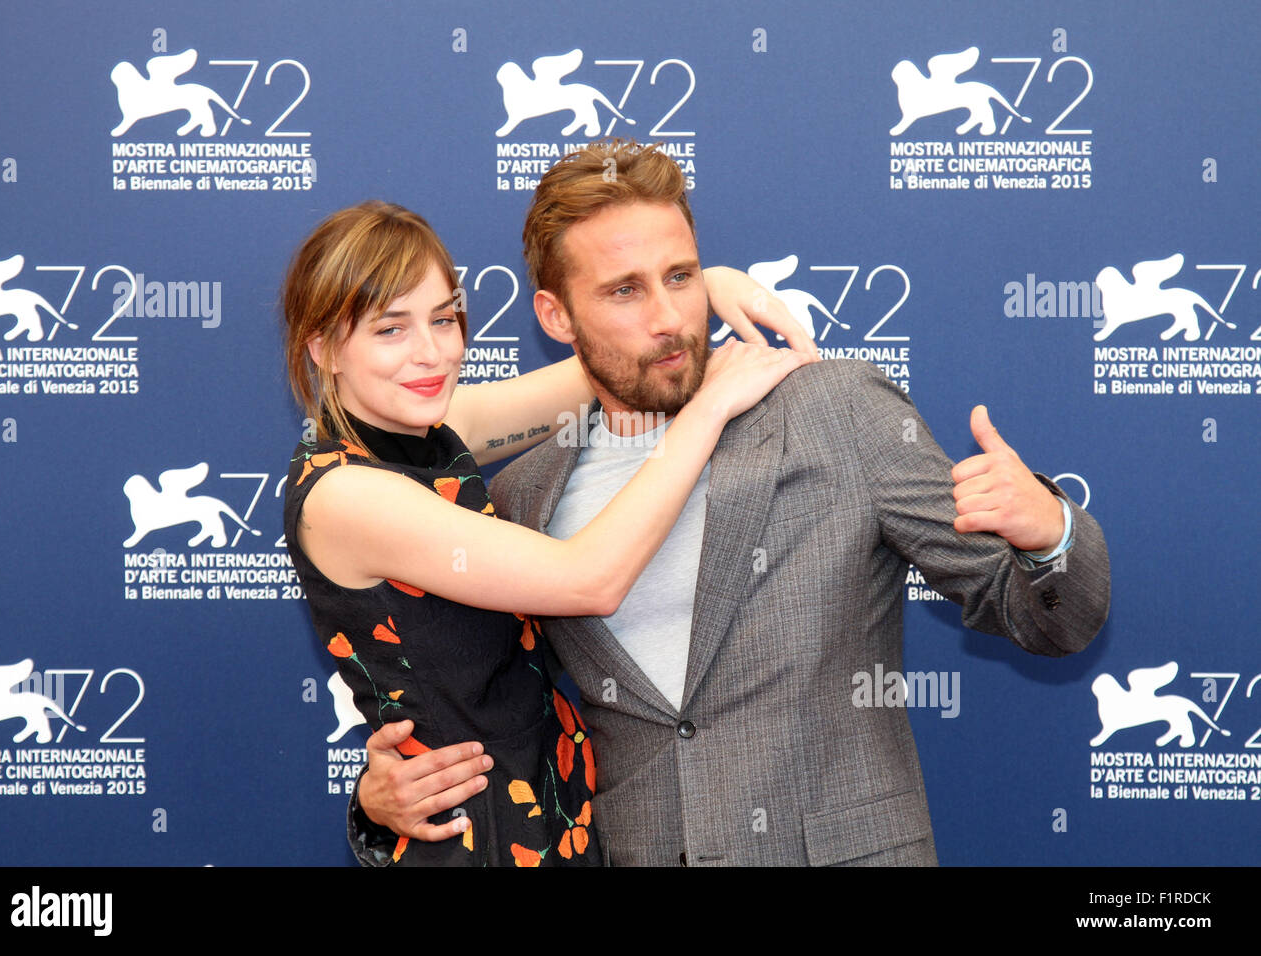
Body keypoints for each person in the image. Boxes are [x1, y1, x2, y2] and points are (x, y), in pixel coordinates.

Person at [353, 142, 1112, 866]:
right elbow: (499, 718)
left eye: (682, 277)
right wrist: (378, 805)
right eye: (624, 290)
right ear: (555, 317)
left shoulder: (833, 409)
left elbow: (1051, 621)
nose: (667, 317)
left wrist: (1048, 536)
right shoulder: (524, 496)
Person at [280, 200, 813, 866]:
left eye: (443, 319)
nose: (431, 353)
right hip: (482, 839)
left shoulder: (430, 427)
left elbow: (607, 366)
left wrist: (697, 290)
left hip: (555, 808)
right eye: (390, 329)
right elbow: (590, 579)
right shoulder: (345, 498)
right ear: (324, 348)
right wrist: (709, 409)